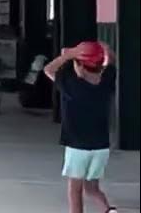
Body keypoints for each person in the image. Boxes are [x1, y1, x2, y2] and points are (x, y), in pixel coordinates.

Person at [43, 41, 118, 213]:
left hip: (78, 147)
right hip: (101, 147)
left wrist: (69, 55)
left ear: (81, 67)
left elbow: (48, 69)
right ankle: (109, 210)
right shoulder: (106, 82)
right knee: (92, 188)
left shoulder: (71, 86)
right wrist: (106, 50)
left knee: (75, 190)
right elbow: (112, 63)